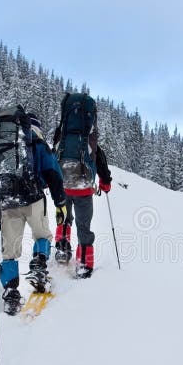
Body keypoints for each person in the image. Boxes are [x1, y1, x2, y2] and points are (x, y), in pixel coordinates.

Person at [0, 108, 66, 315]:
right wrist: (60, 203)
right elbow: (53, 173)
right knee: (42, 234)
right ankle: (38, 267)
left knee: (9, 249)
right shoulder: (36, 142)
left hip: (5, 200)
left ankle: (11, 293)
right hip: (32, 198)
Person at [52, 93, 112, 279]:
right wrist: (105, 183)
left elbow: (53, 154)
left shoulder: (62, 133)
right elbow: (100, 160)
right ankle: (84, 265)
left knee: (64, 218)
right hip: (84, 187)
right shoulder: (89, 138)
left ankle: (62, 249)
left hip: (62, 185)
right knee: (83, 226)